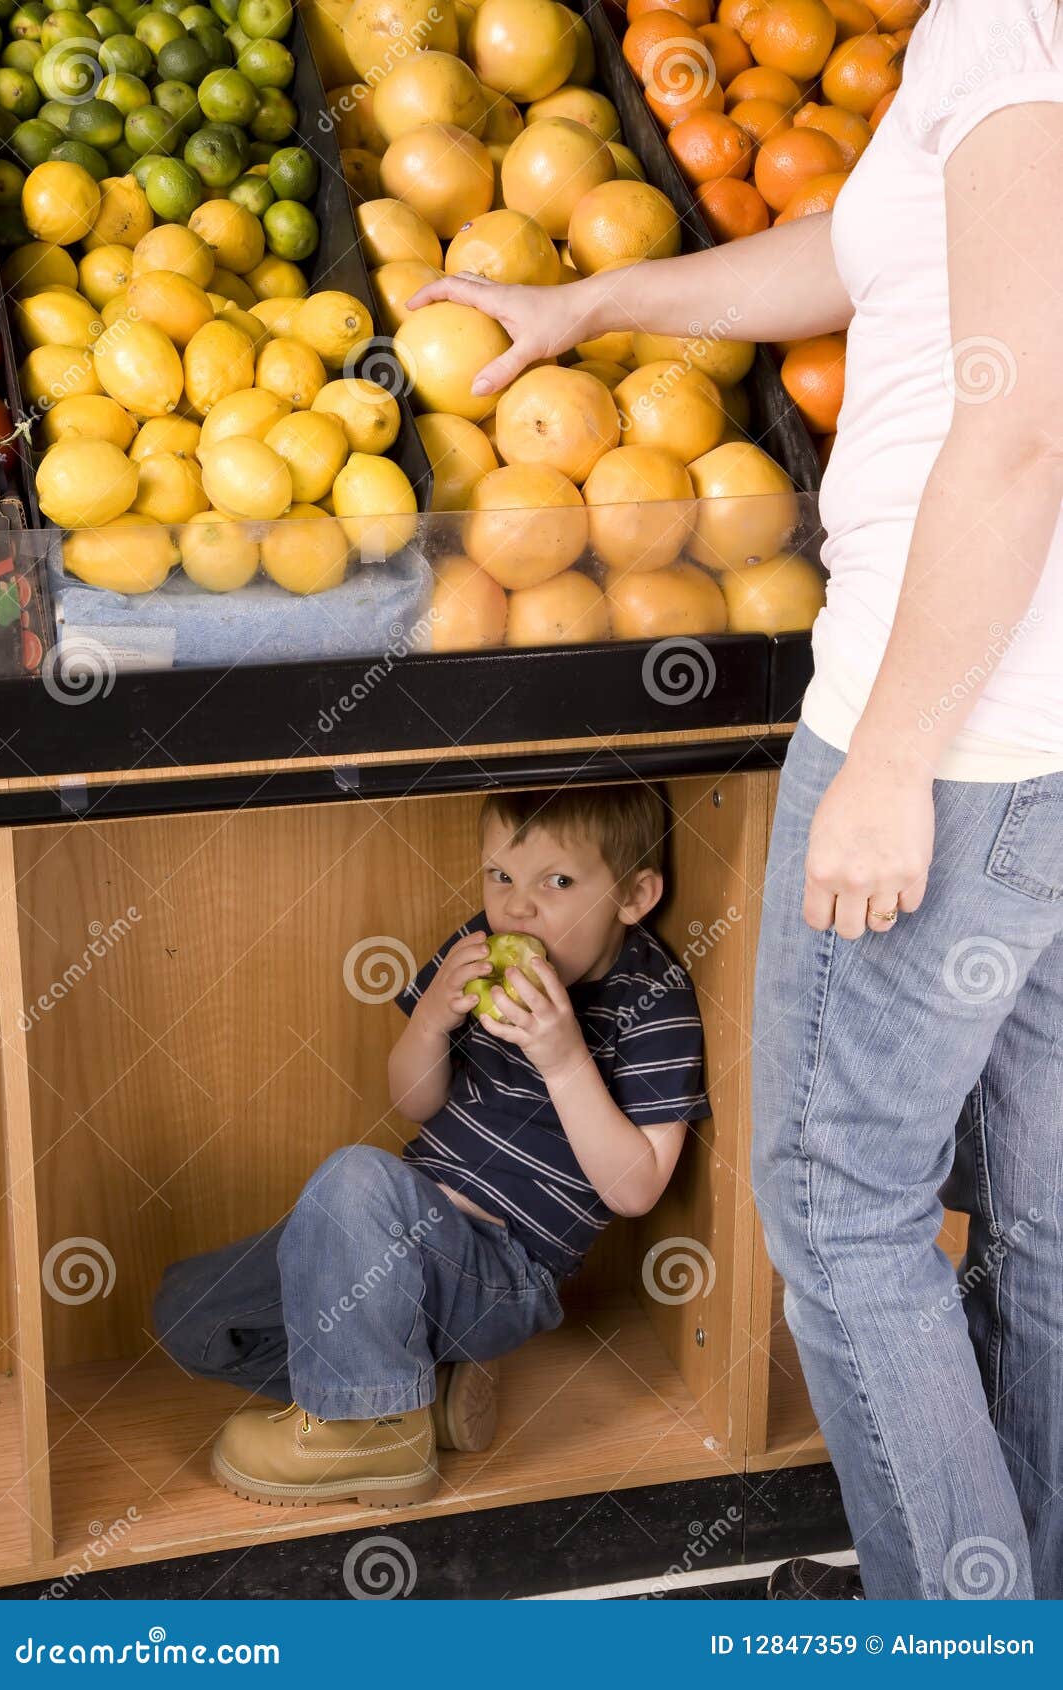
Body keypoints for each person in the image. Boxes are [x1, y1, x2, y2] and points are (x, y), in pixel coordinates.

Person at [407, 0, 1063, 1600]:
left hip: (962, 720)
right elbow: (864, 252)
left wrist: (892, 758)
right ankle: (1009, 1596)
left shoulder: (1009, 29)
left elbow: (1021, 428)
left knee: (840, 1209)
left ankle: (951, 1626)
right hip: (1028, 726)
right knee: (1040, 1228)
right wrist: (595, 300)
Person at [153, 784, 709, 1508]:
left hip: (501, 1269)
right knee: (189, 1312)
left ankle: (369, 1434)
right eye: (499, 875)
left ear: (634, 895)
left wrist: (565, 1059)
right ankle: (422, 1391)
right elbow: (413, 1100)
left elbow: (634, 1191)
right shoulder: (476, 946)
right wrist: (431, 1023)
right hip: (383, 1242)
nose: (516, 907)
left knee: (355, 1176)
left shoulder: (653, 999)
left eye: (558, 882)